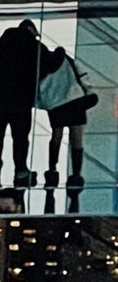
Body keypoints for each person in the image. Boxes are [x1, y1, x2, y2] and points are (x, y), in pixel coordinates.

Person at [0, 17, 44, 189]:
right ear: (31, 31)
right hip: (21, 98)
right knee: (20, 137)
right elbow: (48, 62)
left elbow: (0, 53)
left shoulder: (6, 38)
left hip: (1, 94)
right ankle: (20, 170)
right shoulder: (33, 45)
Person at [40, 43, 95, 194]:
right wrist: (89, 92)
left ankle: (52, 170)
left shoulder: (42, 64)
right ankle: (76, 174)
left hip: (55, 105)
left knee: (56, 136)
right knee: (77, 138)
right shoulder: (66, 60)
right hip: (75, 99)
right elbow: (81, 74)